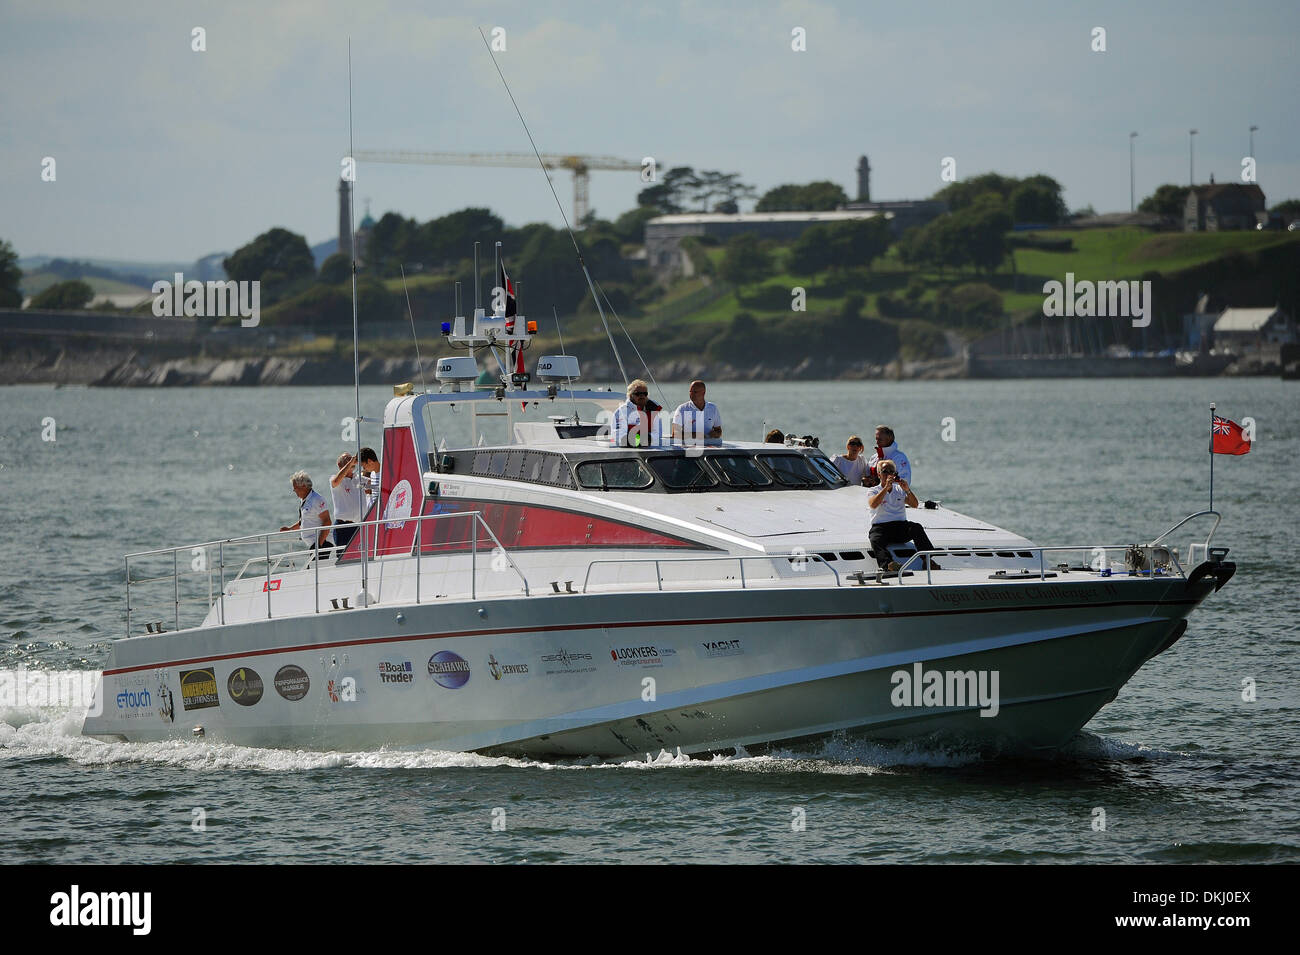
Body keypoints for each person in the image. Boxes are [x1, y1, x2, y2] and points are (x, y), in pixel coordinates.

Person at [867, 459, 940, 572]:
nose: (889, 474)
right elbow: (873, 504)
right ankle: (889, 565)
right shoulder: (873, 490)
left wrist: (907, 490)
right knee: (875, 539)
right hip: (881, 527)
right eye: (885, 471)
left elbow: (914, 504)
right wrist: (886, 488)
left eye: (892, 471)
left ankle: (927, 560)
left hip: (900, 526)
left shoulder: (899, 490)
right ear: (879, 474)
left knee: (916, 527)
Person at [280, 470, 333, 557]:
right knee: (312, 569)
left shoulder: (317, 500)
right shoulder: (304, 500)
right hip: (315, 545)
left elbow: (327, 522)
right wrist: (290, 529)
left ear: (304, 486)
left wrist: (319, 545)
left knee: (312, 569)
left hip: (322, 544)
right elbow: (304, 521)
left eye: (295, 488)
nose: (294, 490)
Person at [611, 379, 664, 447]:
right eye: (638, 394)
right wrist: (639, 441)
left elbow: (657, 434)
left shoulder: (653, 410)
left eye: (645, 394)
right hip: (628, 452)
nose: (642, 396)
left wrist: (648, 439)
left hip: (649, 451)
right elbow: (618, 435)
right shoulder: (621, 412)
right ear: (630, 395)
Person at [671, 379, 723, 445]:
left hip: (709, 447)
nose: (692, 394)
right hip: (687, 449)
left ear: (703, 393)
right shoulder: (682, 409)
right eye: (690, 391)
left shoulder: (713, 408)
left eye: (695, 392)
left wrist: (716, 434)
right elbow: (675, 434)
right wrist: (695, 435)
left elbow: (718, 430)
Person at [329, 452, 363, 550]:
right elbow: (335, 482)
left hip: (358, 525)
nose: (350, 460)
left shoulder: (359, 479)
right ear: (340, 465)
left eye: (351, 459)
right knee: (343, 556)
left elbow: (375, 482)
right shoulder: (334, 479)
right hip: (342, 527)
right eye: (346, 460)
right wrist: (351, 463)